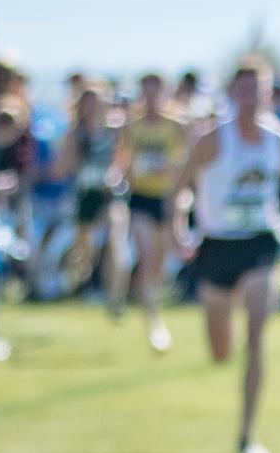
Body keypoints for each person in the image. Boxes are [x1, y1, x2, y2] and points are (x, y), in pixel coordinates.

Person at [169, 59, 280, 453]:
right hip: (217, 246)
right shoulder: (211, 141)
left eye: (259, 90)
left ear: (269, 94)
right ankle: (225, 343)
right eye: (244, 90)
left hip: (261, 243)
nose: (251, 98)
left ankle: (247, 436)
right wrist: (180, 230)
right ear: (231, 95)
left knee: (256, 339)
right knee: (220, 351)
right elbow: (180, 190)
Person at [120, 72, 187, 353]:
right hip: (141, 198)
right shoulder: (132, 127)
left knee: (158, 264)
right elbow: (122, 160)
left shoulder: (176, 126)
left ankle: (150, 303)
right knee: (146, 256)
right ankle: (153, 323)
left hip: (167, 199)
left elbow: (186, 163)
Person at [61, 83, 129, 314]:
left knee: (115, 238)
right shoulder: (76, 132)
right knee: (85, 249)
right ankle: (83, 282)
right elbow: (65, 165)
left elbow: (122, 159)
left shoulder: (115, 128)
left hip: (109, 194)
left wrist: (113, 174)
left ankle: (115, 297)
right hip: (84, 195)